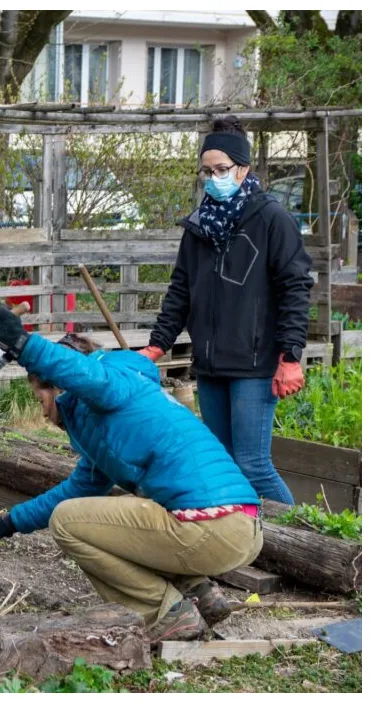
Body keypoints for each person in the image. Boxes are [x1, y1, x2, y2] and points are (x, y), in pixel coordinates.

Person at [0, 304, 263, 643]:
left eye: (39, 399)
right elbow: (78, 491)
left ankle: (164, 616)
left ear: (59, 387)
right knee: (103, 515)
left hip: (208, 526)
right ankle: (198, 593)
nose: (43, 412)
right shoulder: (109, 419)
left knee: (67, 522)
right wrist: (8, 523)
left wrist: (23, 345)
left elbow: (90, 377)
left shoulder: (109, 383)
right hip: (239, 526)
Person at [137, 116, 313, 505]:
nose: (213, 177)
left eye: (222, 169)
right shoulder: (200, 226)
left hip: (255, 364)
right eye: (207, 171)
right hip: (211, 364)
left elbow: (295, 287)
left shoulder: (271, 219)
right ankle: (245, 542)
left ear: (244, 168)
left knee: (252, 464)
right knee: (221, 461)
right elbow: (181, 289)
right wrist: (156, 345)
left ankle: (303, 536)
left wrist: (291, 355)